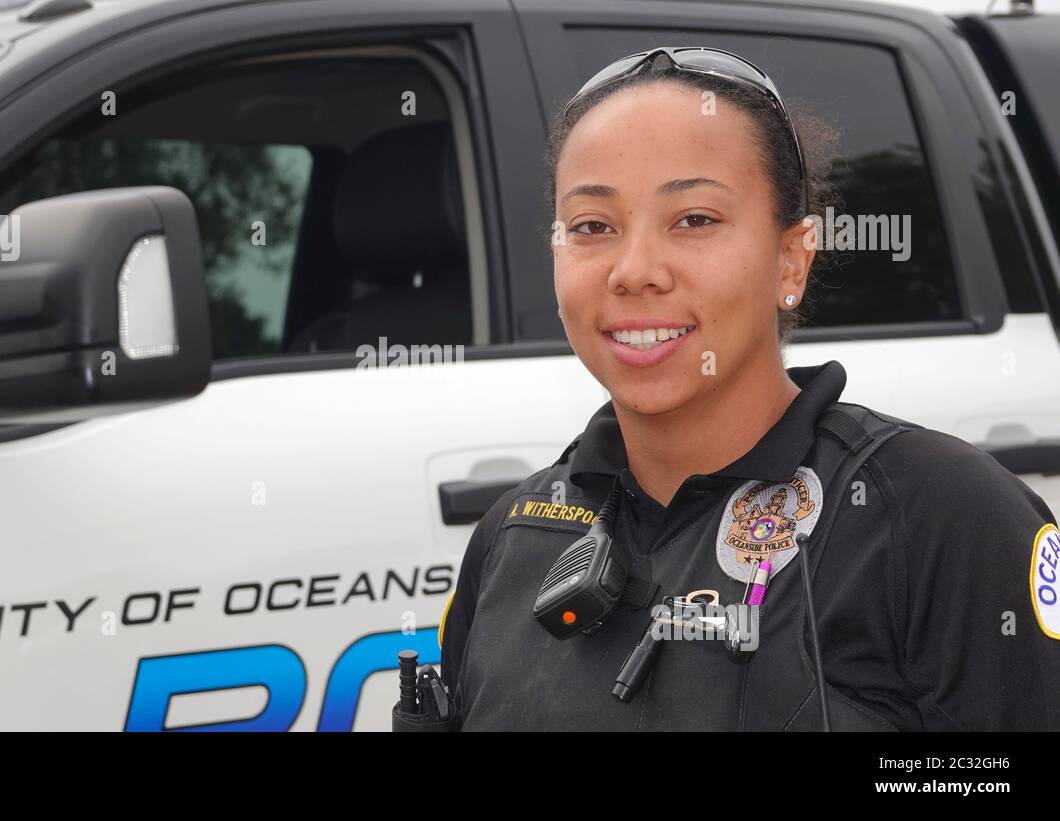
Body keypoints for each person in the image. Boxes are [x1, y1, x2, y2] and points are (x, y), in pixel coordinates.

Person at [436, 46, 1060, 731]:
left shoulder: (939, 517)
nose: (634, 270)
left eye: (695, 219)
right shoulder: (511, 539)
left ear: (791, 257)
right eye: (592, 227)